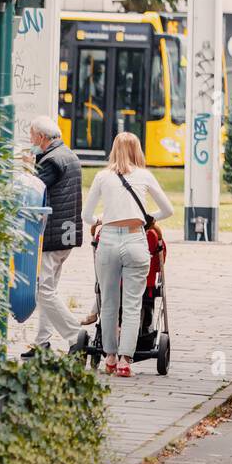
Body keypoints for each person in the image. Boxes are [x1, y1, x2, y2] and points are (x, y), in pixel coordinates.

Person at [82, 132, 174, 378]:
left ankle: (109, 357)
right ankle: (125, 360)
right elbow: (168, 209)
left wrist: (101, 220)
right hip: (136, 238)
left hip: (109, 239)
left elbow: (86, 216)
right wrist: (147, 219)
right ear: (137, 150)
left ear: (113, 149)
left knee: (109, 302)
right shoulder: (144, 175)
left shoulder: (102, 177)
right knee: (133, 304)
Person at [22, 117, 84, 358]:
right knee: (49, 290)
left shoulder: (52, 161)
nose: (30, 140)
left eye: (31, 136)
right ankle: (42, 343)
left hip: (53, 235)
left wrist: (28, 166)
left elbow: (33, 187)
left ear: (41, 137)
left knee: (42, 290)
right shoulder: (68, 155)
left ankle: (74, 334)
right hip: (66, 234)